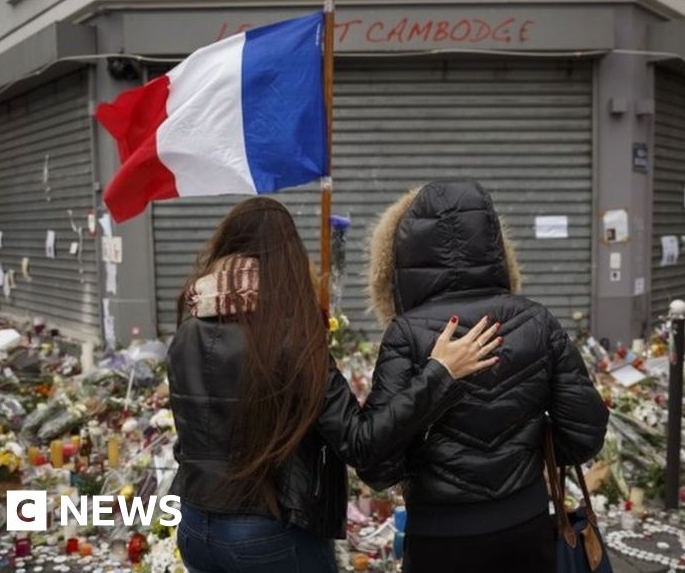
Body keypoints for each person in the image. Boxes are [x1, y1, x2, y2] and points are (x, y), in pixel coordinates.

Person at [167, 197, 500, 573]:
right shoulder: (290, 338)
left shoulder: (187, 332)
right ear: (289, 259)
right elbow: (361, 442)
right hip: (266, 535)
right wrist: (439, 373)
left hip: (194, 527)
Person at [358, 179, 609, 573]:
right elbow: (585, 433)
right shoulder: (536, 321)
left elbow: (377, 464)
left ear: (402, 254)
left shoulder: (405, 335)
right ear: (494, 243)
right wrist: (524, 452)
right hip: (524, 524)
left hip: (441, 535)